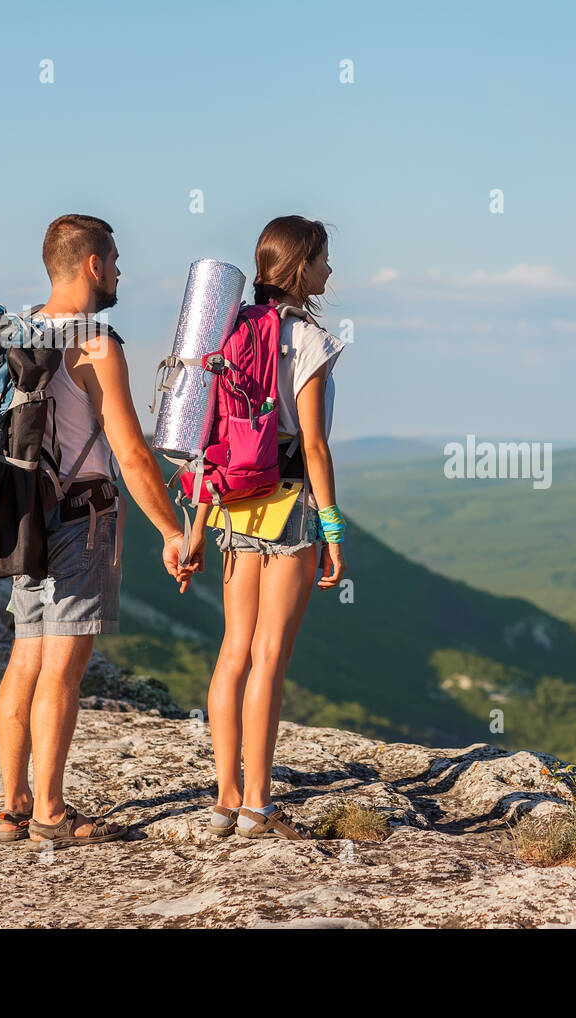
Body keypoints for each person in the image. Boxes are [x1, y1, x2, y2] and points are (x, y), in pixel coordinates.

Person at [0, 214, 191, 849]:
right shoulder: (97, 344)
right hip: (81, 518)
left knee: (25, 656)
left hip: (21, 514)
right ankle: (51, 813)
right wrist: (171, 529)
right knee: (63, 670)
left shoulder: (17, 329)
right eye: (114, 260)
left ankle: (13, 805)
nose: (119, 273)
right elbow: (132, 454)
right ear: (91, 266)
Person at [182, 215, 349, 839]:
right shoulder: (308, 340)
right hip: (289, 504)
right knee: (270, 658)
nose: (330, 270)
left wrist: (198, 524)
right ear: (301, 267)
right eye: (324, 259)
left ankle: (224, 798)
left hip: (232, 502)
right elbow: (315, 445)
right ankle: (257, 804)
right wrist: (332, 529)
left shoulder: (237, 329)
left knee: (232, 653)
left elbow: (216, 439)